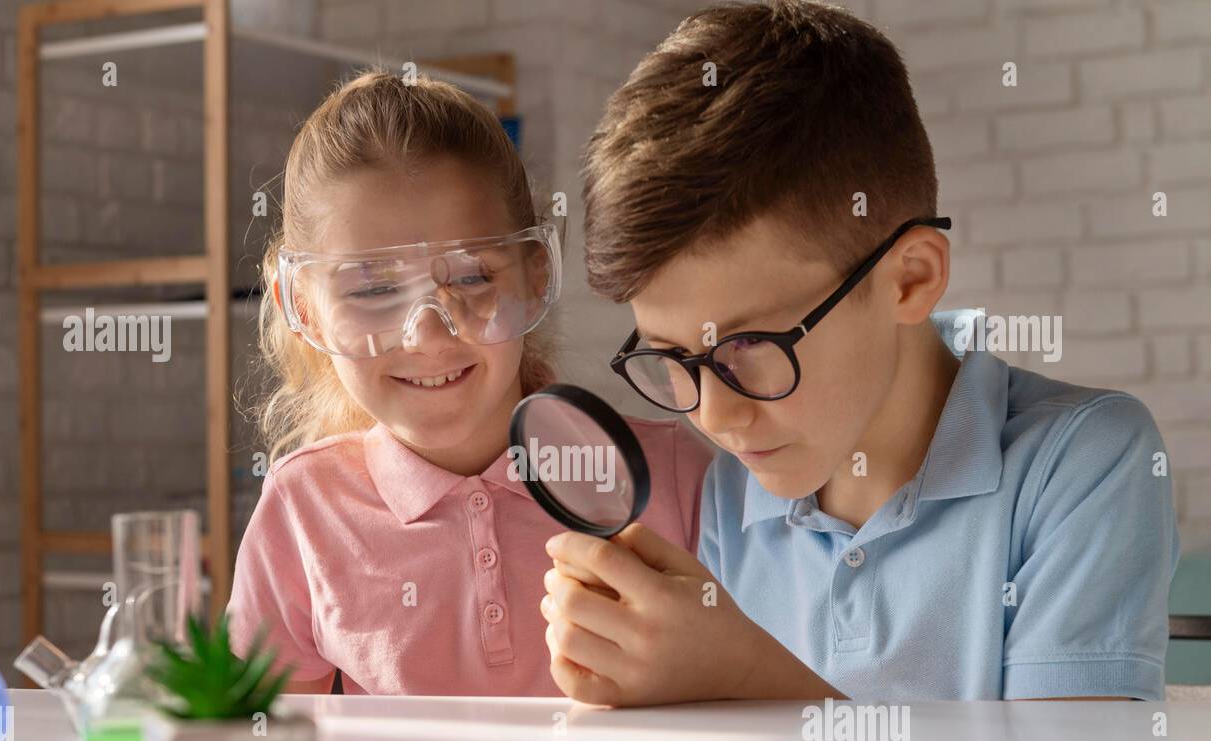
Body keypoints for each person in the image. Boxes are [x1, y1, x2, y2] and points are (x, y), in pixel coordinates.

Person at [540, 0, 1178, 705]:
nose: (717, 415)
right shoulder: (736, 492)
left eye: (750, 344)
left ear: (911, 279)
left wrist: (749, 680)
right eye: (672, 357)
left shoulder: (1083, 465)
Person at [229, 71, 712, 695]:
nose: (428, 334)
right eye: (373, 289)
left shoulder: (674, 479)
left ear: (535, 272)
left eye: (474, 277)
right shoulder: (303, 509)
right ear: (304, 307)